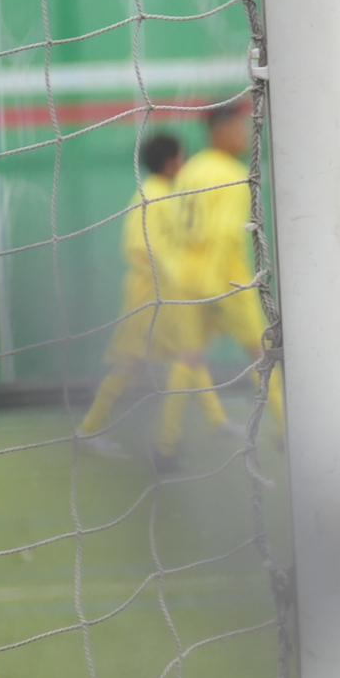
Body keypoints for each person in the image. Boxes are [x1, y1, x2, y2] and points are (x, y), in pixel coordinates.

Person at [78, 131, 227, 457]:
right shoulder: (152, 197)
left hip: (167, 295)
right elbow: (138, 246)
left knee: (190, 353)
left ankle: (217, 422)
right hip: (149, 298)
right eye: (182, 157)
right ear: (173, 162)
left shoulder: (165, 194)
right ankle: (91, 429)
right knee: (133, 364)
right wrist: (174, 275)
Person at [156, 101, 282, 469]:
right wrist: (233, 286)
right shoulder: (233, 173)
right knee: (263, 355)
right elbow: (227, 234)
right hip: (226, 280)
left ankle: (164, 444)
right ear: (220, 131)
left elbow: (178, 227)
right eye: (239, 128)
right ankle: (290, 434)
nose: (245, 135)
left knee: (188, 358)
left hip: (187, 280)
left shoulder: (189, 171)